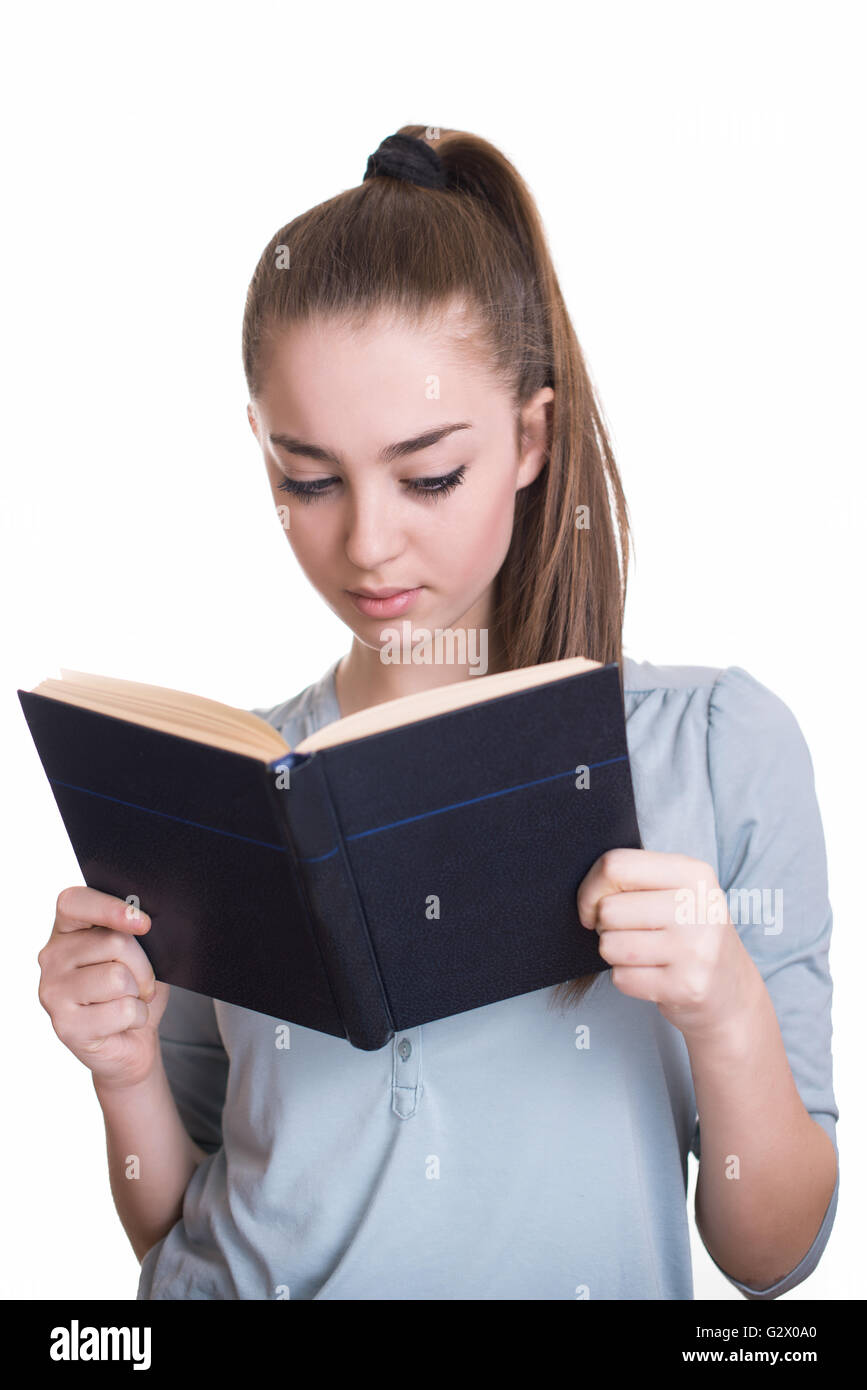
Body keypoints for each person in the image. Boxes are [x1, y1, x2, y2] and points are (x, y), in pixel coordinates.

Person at [38, 127, 839, 1300]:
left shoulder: (714, 750)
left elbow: (775, 1258)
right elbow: (175, 1234)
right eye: (307, 479)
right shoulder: (233, 787)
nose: (366, 543)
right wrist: (119, 1076)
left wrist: (725, 1011)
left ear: (530, 437)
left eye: (427, 475)